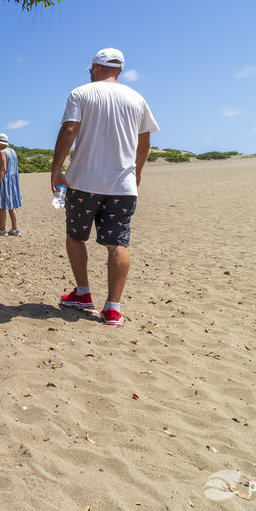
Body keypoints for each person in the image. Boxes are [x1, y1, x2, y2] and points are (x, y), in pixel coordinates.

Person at [52, 48, 159, 327]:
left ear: (95, 68)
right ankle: (112, 309)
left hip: (83, 182)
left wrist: (56, 169)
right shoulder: (137, 98)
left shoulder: (81, 93)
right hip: (122, 185)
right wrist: (137, 171)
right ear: (120, 70)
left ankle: (83, 293)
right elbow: (145, 142)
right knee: (118, 244)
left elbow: (69, 130)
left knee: (75, 236)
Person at [0, 132, 22, 236]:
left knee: (2, 206)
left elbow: (3, 169)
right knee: (12, 206)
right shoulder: (13, 151)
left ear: (1, 143)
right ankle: (15, 229)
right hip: (13, 182)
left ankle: (3, 229)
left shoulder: (2, 153)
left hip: (4, 182)